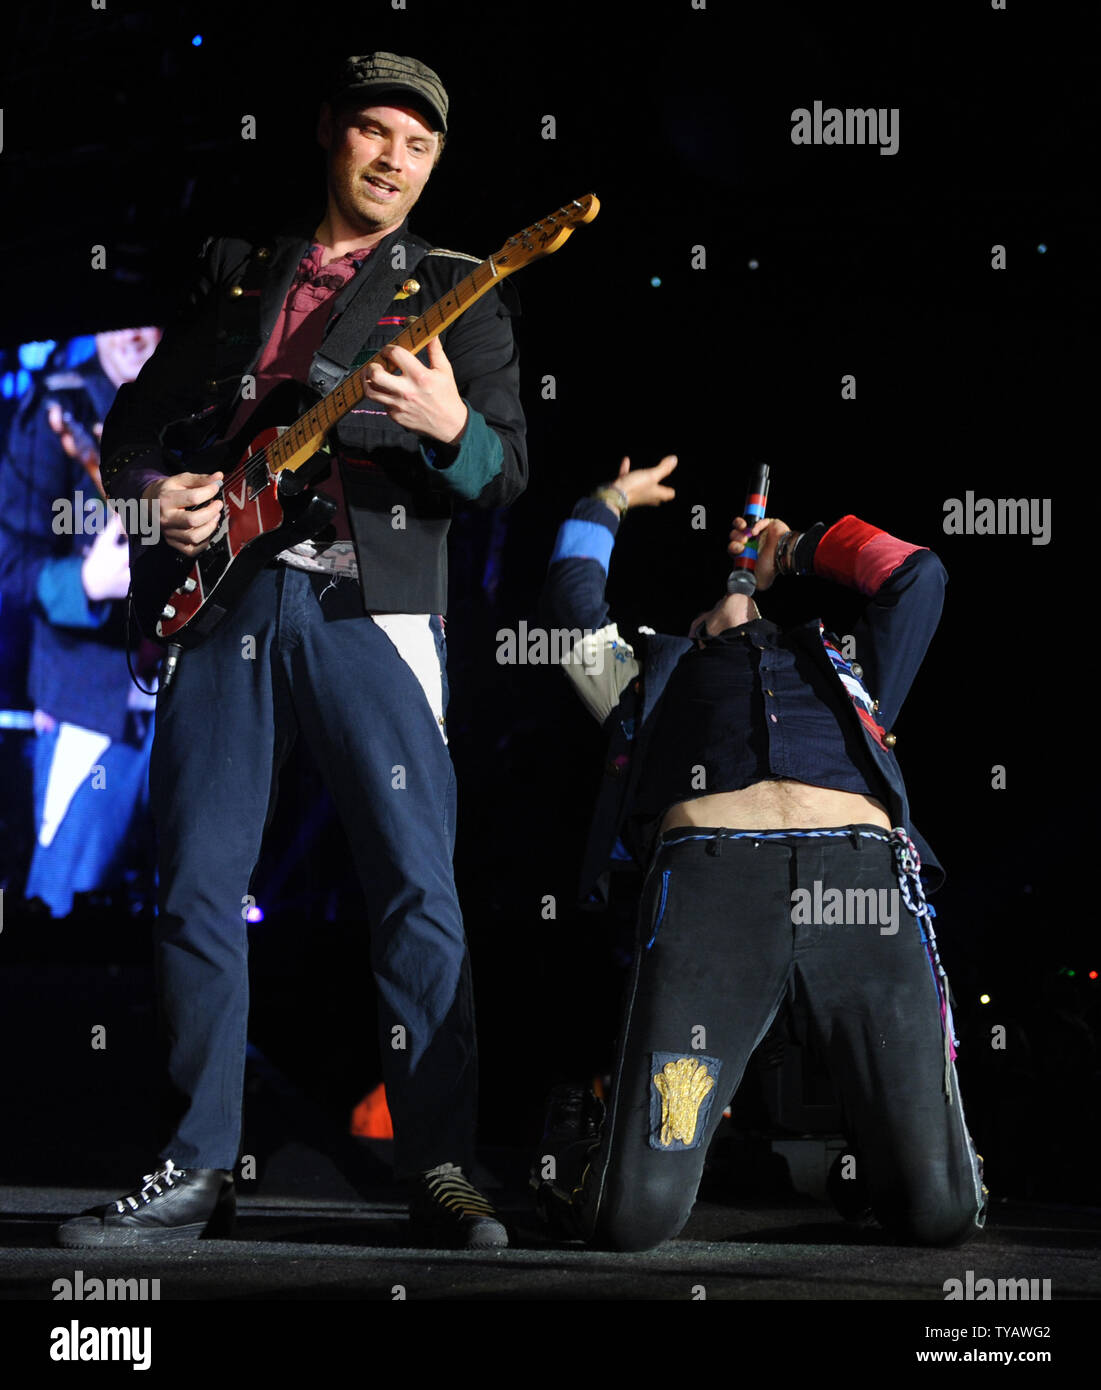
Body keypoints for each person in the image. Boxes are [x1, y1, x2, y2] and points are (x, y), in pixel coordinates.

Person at [56, 52, 526, 1250]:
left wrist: (451, 426)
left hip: (368, 600)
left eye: (419, 148)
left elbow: (503, 473)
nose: (394, 162)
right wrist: (155, 494)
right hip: (226, 606)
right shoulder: (239, 273)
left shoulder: (460, 286)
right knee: (199, 885)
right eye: (375, 134)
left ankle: (441, 1165)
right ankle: (195, 1163)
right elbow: (128, 434)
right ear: (328, 133)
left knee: (416, 884)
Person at [535, 454, 986, 1250]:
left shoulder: (848, 676)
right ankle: (582, 1150)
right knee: (629, 1220)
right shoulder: (645, 680)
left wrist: (799, 544)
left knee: (939, 1214)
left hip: (864, 893)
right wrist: (608, 498)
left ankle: (880, 1162)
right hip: (713, 899)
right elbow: (570, 600)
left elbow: (918, 574)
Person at [0, 328, 162, 918]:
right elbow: (9, 566)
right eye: (120, 320)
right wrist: (86, 585)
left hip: (203, 699)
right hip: (90, 705)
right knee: (64, 900)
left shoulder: (213, 404)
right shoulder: (54, 411)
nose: (136, 335)